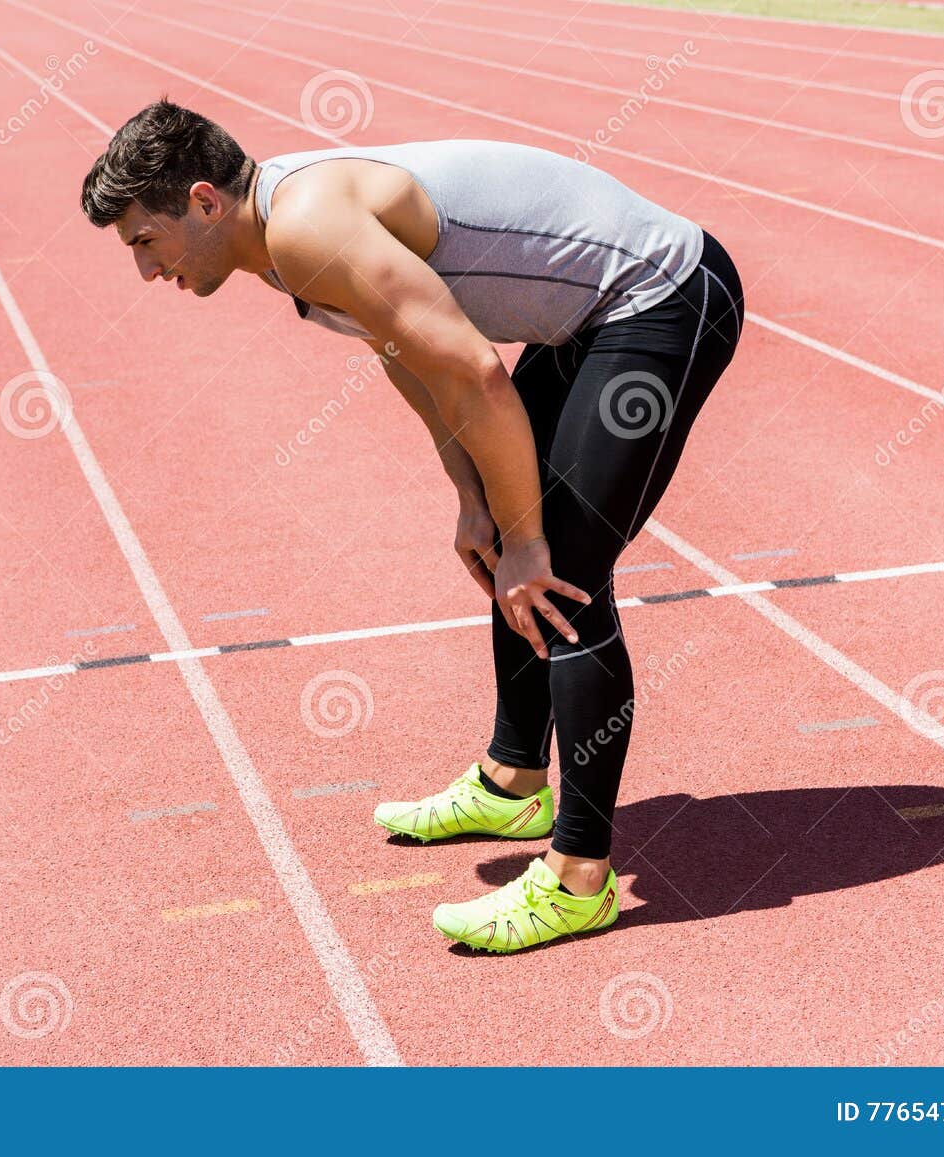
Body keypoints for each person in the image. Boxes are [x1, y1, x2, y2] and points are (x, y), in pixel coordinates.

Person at [82, 100, 744, 953]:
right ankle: (514, 780)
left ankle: (581, 877)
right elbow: (402, 347)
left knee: (561, 575)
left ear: (205, 202)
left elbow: (474, 368)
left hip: (662, 293)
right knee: (509, 534)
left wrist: (529, 540)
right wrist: (471, 492)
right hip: (586, 317)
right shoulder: (281, 239)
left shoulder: (306, 229)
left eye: (144, 241)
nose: (146, 271)